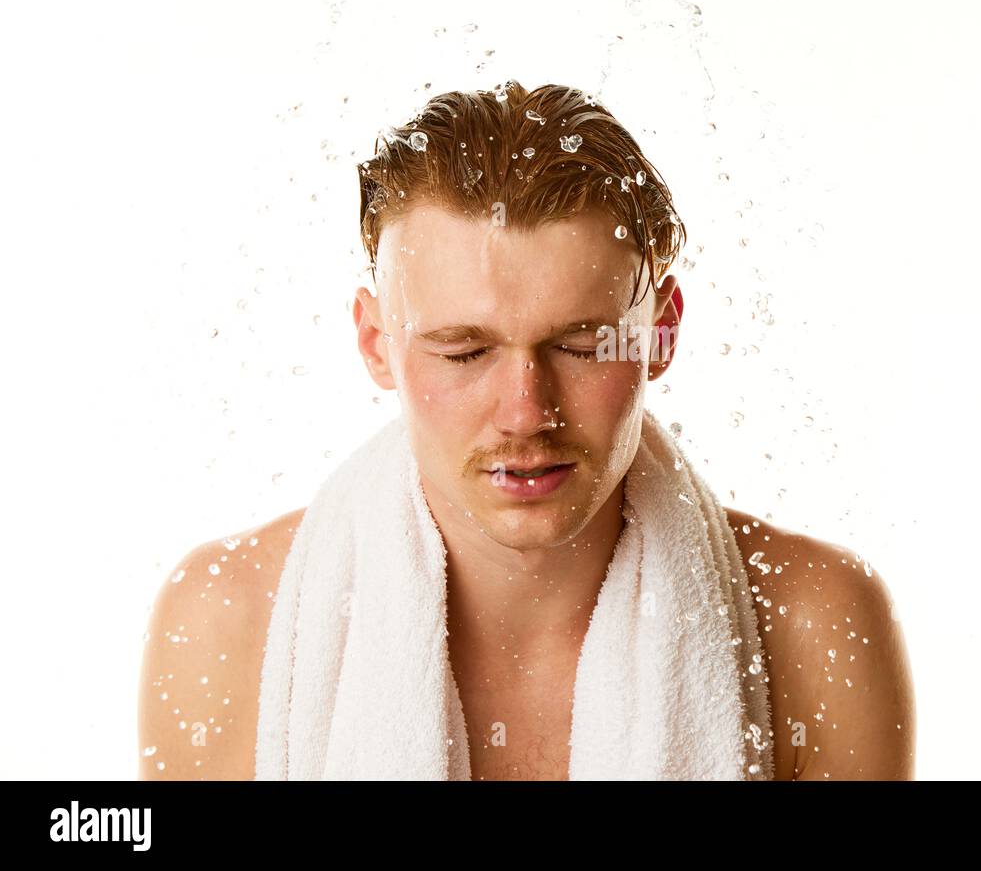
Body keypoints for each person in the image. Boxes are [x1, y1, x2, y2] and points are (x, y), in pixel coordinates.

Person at [137, 81, 915, 780]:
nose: (524, 413)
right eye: (464, 351)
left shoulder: (814, 624)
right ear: (377, 344)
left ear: (661, 333)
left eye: (580, 345)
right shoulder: (230, 620)